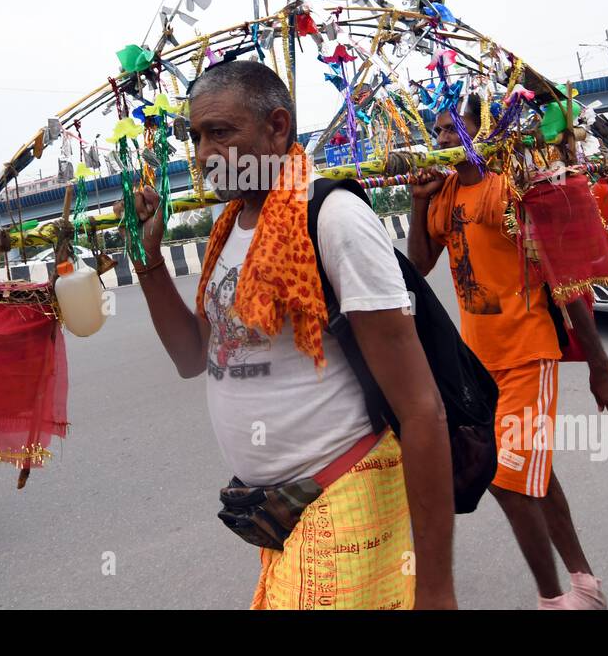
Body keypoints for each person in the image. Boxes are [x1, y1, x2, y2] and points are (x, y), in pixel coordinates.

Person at [129, 61, 457, 609]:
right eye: (195, 136)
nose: (204, 153)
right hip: (281, 509)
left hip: (346, 488)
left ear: (277, 127)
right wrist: (149, 264)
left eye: (220, 132)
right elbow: (193, 357)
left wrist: (436, 589)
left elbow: (423, 408)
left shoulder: (334, 218)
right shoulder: (226, 229)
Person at [409, 102, 608, 609]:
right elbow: (419, 266)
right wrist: (417, 202)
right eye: (439, 130)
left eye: (454, 128)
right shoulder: (444, 193)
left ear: (481, 129)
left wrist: (601, 369)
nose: (443, 137)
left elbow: (563, 278)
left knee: (507, 479)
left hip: (528, 355)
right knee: (535, 475)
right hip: (480, 367)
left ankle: (553, 600)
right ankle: (586, 586)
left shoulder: (509, 189)